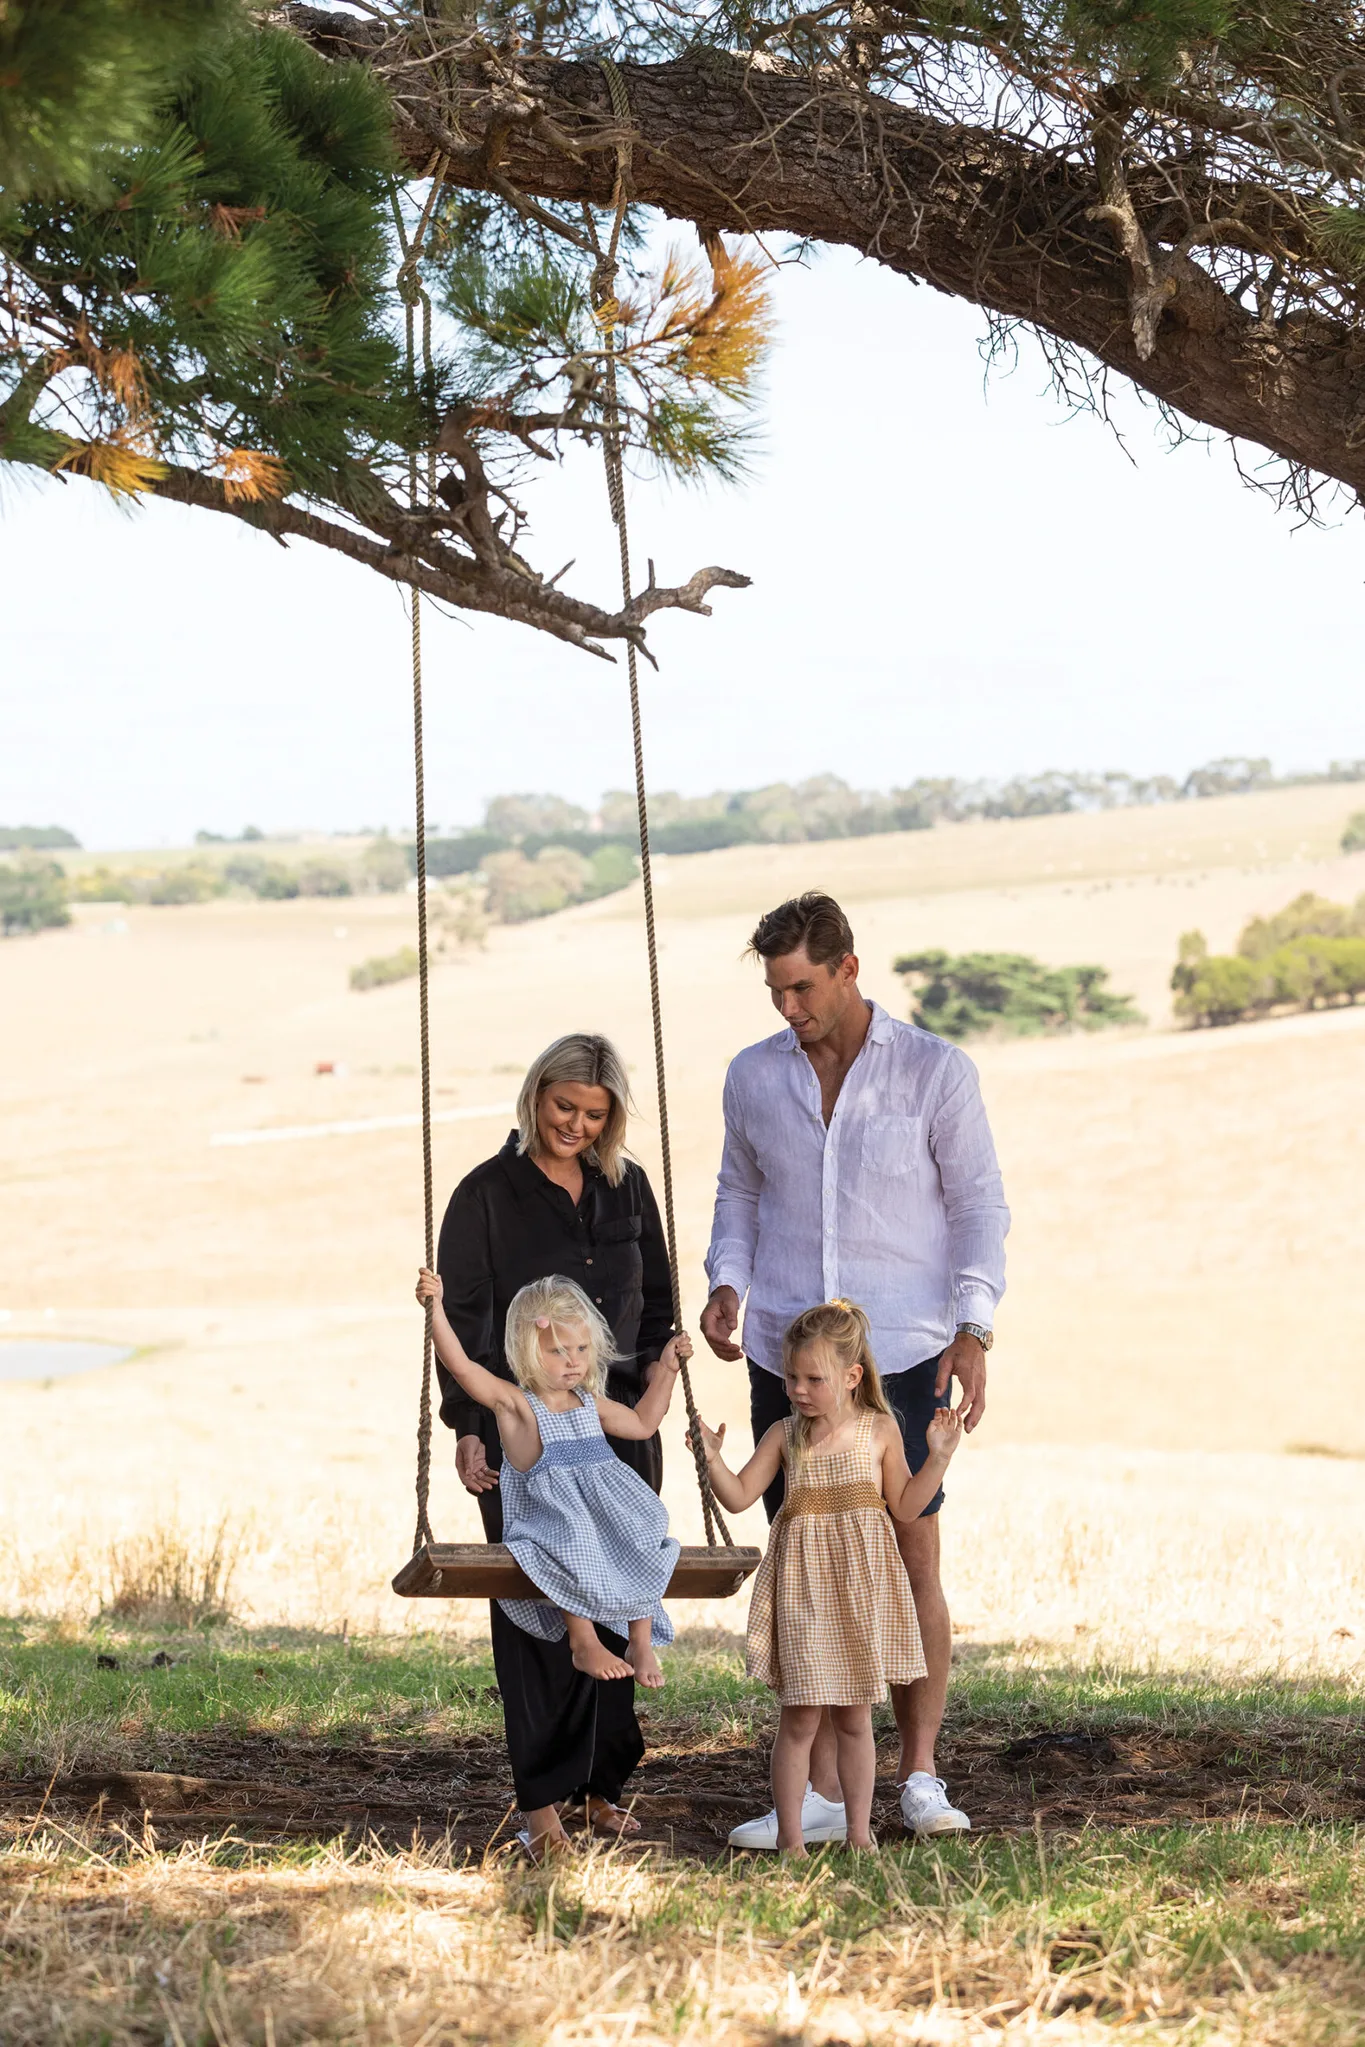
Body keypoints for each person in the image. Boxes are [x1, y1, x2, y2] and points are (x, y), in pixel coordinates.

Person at [701, 893, 1009, 1843]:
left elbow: (978, 1205)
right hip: (787, 1354)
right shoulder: (752, 1076)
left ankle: (916, 1775)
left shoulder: (932, 1071)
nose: (786, 1007)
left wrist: (974, 1326)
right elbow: (738, 1190)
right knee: (807, 1562)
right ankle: (829, 1797)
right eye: (773, 989)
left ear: (847, 968)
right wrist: (726, 1280)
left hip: (907, 1347)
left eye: (800, 986)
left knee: (909, 1552)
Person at [435, 1033, 676, 1857]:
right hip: (525, 1443)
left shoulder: (627, 1186)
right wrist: (469, 1433)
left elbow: (655, 1303)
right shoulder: (485, 1195)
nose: (575, 1124)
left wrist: (659, 1386)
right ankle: (541, 1806)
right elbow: (464, 1327)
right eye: (563, 1105)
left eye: (594, 1114)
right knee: (542, 1619)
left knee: (618, 1608)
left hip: (613, 1441)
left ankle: (600, 1788)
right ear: (536, 1095)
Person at [691, 1300, 962, 1853]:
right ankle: (792, 1836)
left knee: (856, 1722)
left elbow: (907, 1508)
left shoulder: (880, 1431)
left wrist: (937, 1458)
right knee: (799, 1720)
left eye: (813, 1378)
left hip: (857, 1596)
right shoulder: (785, 1436)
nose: (797, 1389)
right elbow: (740, 1497)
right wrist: (712, 1460)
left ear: (852, 1376)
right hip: (804, 1596)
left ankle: (858, 1834)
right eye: (792, 1376)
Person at [416, 1268, 690, 1689]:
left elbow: (642, 1423)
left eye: (581, 1348)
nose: (574, 1360)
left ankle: (639, 1639)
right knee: (575, 1535)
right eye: (559, 1350)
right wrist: (435, 1309)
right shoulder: (517, 1406)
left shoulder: (587, 1401)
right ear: (528, 1351)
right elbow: (464, 1367)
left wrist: (668, 1369)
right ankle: (582, 1640)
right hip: (548, 1525)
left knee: (645, 1527)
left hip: (602, 1520)